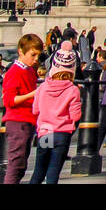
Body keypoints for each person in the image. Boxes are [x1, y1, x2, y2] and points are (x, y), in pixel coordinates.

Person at [27, 41, 81, 184]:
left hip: (46, 131)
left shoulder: (43, 87)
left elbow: (35, 110)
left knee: (39, 171)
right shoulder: (73, 90)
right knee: (53, 174)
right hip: (62, 133)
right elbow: (76, 116)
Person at [2, 33, 44, 184]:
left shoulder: (30, 71)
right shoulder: (14, 72)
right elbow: (9, 100)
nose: (36, 59)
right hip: (17, 121)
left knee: (21, 165)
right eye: (33, 55)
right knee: (16, 164)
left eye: (38, 55)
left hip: (27, 120)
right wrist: (32, 94)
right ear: (21, 51)